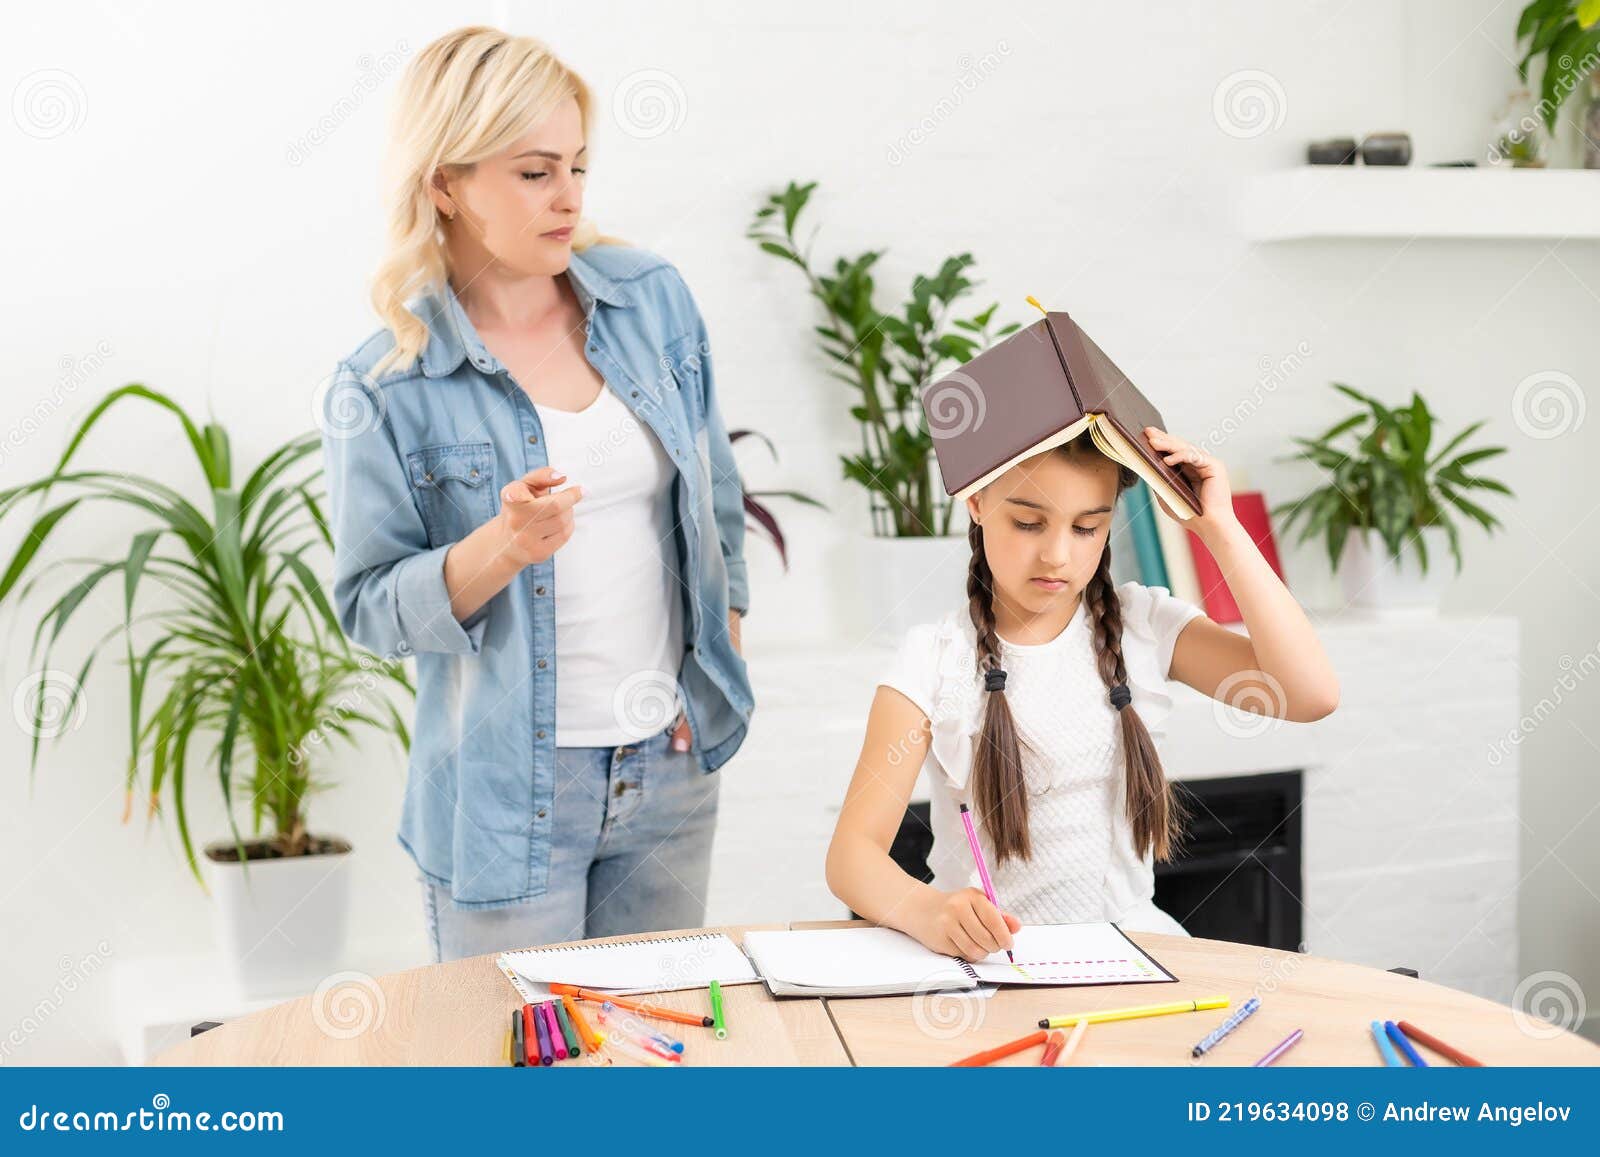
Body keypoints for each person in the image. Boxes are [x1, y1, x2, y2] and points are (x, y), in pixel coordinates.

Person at [826, 427, 1338, 959]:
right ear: (976, 501)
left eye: (1087, 527)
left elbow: (1309, 694)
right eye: (1028, 523)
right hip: (994, 961)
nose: (1057, 555)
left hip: (1131, 953)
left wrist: (1220, 527)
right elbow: (851, 857)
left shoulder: (1145, 625)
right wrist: (928, 911)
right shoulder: (933, 656)